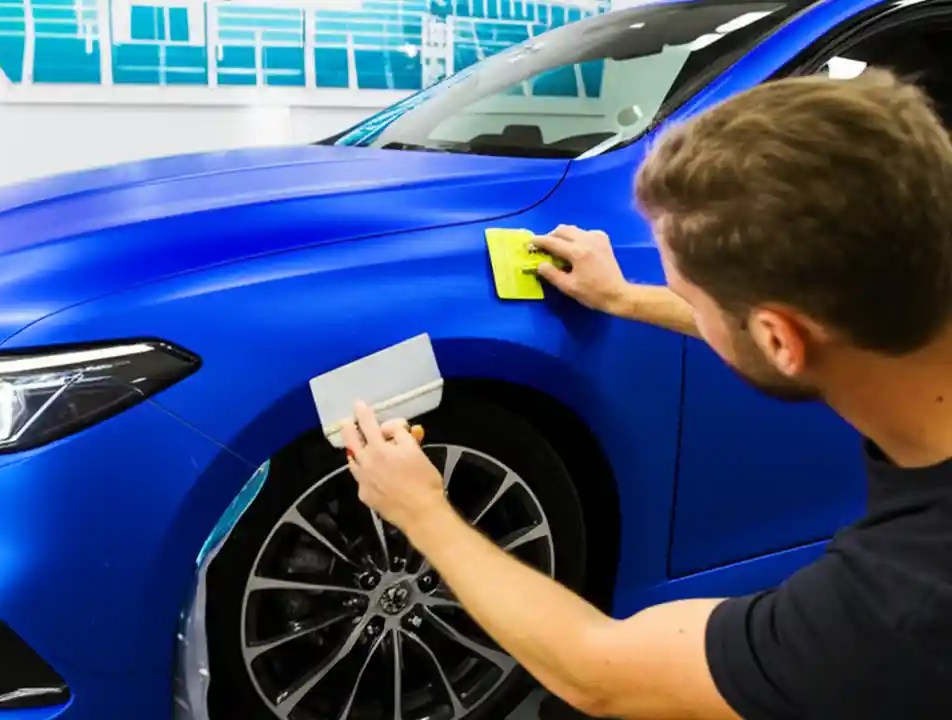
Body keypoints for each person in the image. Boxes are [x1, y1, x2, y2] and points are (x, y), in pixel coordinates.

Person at [343, 69, 952, 719]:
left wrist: (423, 512)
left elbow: (597, 672)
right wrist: (625, 298)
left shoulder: (902, 608)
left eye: (692, 297)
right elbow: (799, 330)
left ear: (781, 338)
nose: (687, 306)